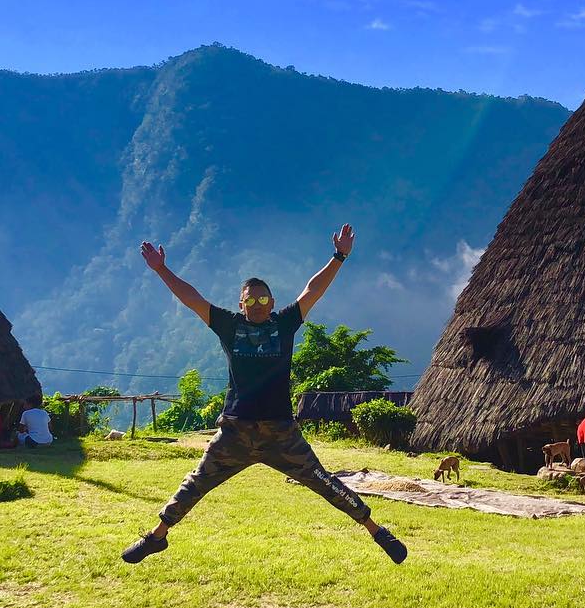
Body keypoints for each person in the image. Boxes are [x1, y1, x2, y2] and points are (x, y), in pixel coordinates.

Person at [121, 224, 408, 566]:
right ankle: (156, 537)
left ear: (271, 303)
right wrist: (161, 270)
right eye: (250, 300)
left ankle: (377, 531)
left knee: (325, 483)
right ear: (241, 304)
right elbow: (192, 298)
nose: (257, 304)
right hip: (235, 433)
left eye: (262, 299)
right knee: (194, 485)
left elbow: (313, 290)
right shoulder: (229, 325)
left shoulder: (284, 324)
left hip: (281, 434)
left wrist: (339, 256)